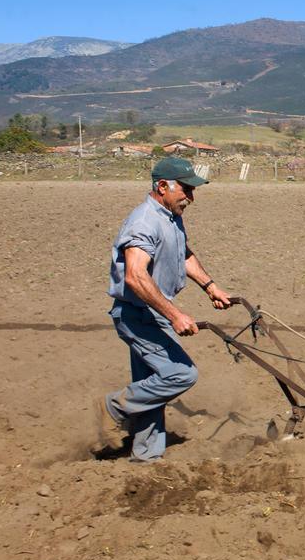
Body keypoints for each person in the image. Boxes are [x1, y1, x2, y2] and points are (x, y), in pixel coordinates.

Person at [96, 156, 233, 462]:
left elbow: (183, 253)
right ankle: (114, 407)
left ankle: (146, 457)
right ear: (162, 186)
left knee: (151, 388)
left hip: (152, 313)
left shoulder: (170, 216)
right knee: (181, 374)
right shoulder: (144, 222)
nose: (191, 198)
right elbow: (135, 276)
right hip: (137, 316)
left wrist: (210, 287)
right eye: (186, 189)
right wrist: (175, 315)